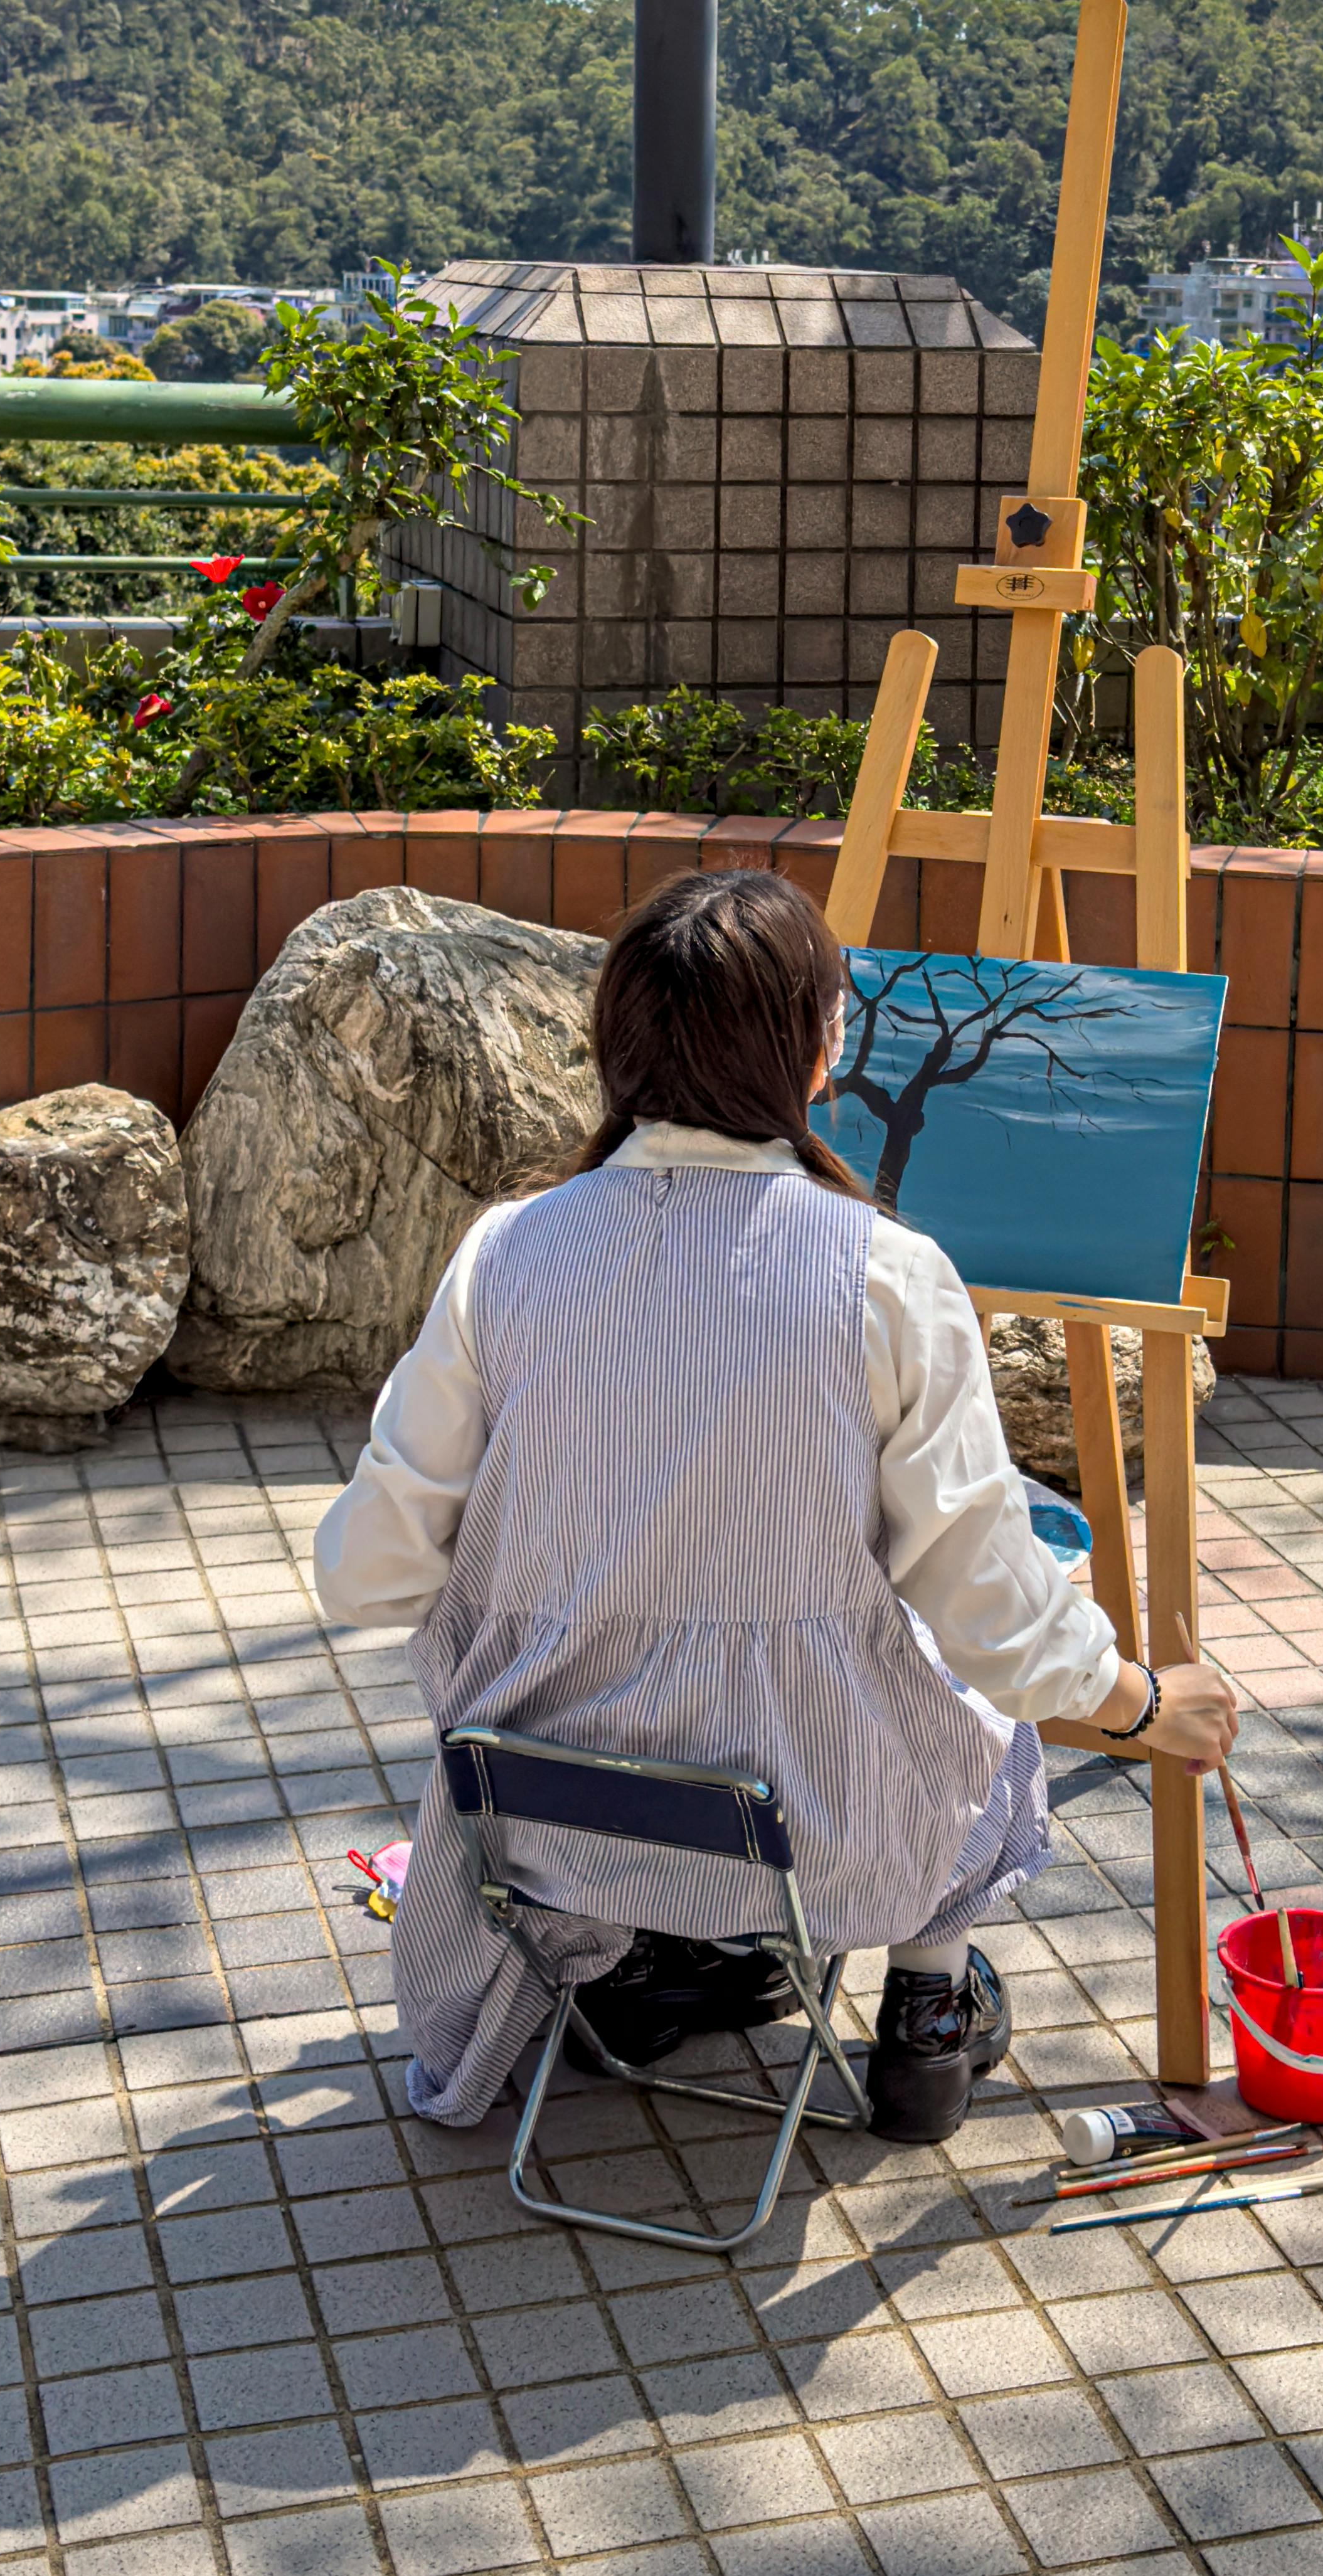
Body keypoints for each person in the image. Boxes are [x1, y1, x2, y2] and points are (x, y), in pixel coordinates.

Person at [314, 866, 1238, 2145]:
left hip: (547, 1828)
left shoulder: (506, 1253)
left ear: (614, 1049)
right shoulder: (889, 1276)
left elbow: (363, 1578)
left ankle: (632, 1964)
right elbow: (999, 1625)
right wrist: (1143, 1702)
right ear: (819, 1059)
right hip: (826, 1832)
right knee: (984, 1652)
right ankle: (925, 2003)